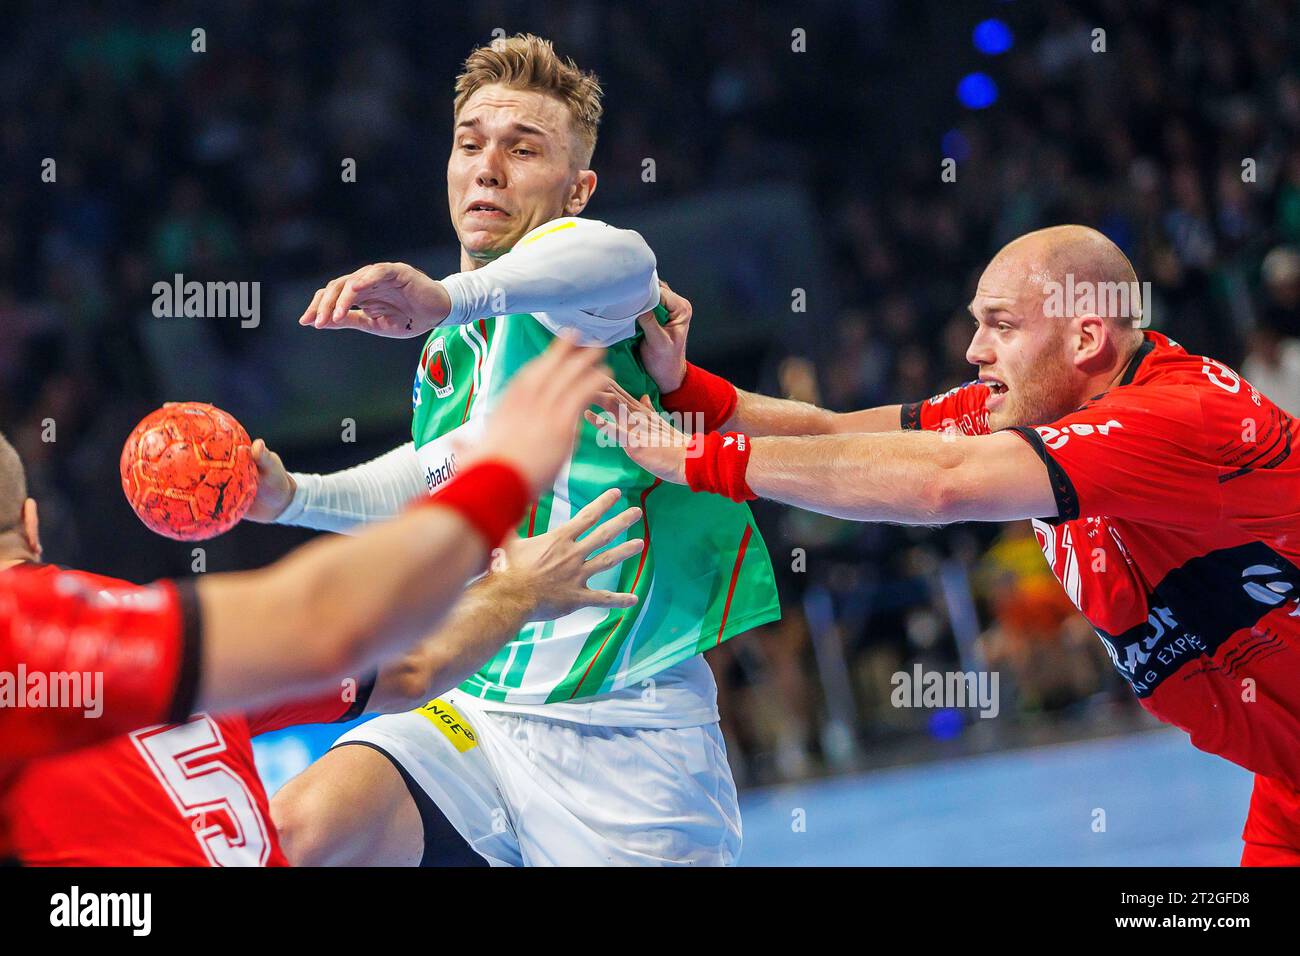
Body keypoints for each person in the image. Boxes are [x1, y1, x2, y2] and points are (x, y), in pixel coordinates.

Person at [597, 224, 1300, 866]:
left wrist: (696, 462)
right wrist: (685, 387)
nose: (973, 351)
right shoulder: (1027, 407)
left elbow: (941, 482)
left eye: (1000, 325)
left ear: (1086, 340)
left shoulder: (1178, 417)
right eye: (975, 324)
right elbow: (837, 436)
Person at [260, 34, 778, 866]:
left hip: (624, 732)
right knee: (296, 832)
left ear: (579, 189)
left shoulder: (582, 297)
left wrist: (450, 296)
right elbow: (443, 472)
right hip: (478, 710)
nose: (487, 167)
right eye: (470, 144)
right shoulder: (451, 349)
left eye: (522, 148)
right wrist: (292, 496)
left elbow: (626, 259)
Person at [0, 338, 605, 853]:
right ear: (32, 525)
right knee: (295, 826)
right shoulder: (153, 626)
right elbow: (405, 665)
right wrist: (515, 573)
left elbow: (338, 625)